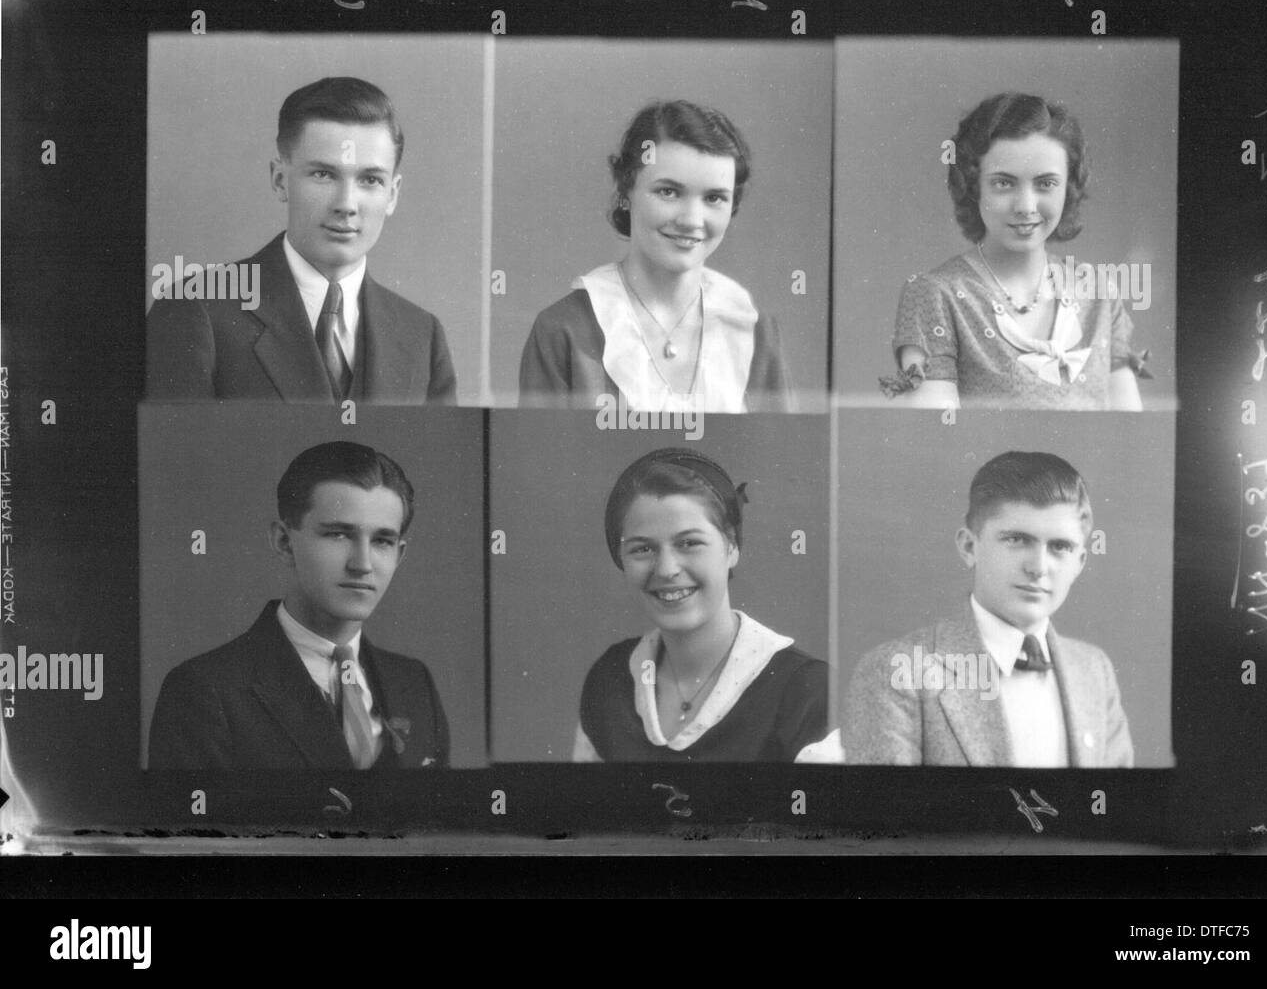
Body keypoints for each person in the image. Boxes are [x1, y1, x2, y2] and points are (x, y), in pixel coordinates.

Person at [147, 77, 457, 403]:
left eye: (370, 179)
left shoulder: (423, 336)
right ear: (280, 180)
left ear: (392, 194)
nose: (346, 205)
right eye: (323, 174)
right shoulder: (197, 310)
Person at [149, 441, 450, 770]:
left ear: (399, 554)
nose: (363, 564)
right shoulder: (204, 689)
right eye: (338, 534)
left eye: (382, 541)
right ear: (283, 543)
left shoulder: (415, 681)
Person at [844, 451, 1134, 767]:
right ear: (970, 547)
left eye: (1060, 547)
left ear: (1080, 562)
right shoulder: (898, 671)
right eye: (1016, 540)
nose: (1038, 567)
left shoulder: (1094, 669)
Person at [880, 92, 1150, 410]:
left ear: (1068, 187)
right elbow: (935, 434)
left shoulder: (1100, 293)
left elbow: (1128, 428)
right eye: (1004, 183)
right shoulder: (936, 295)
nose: (1026, 207)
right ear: (974, 185)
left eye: (1046, 184)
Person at [519, 100, 791, 413]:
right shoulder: (561, 331)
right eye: (668, 192)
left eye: (714, 198)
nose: (691, 219)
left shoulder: (754, 331)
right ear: (626, 191)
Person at [574, 448, 838, 762]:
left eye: (689, 543)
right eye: (642, 548)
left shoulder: (808, 694)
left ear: (731, 548)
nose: (666, 569)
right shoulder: (610, 680)